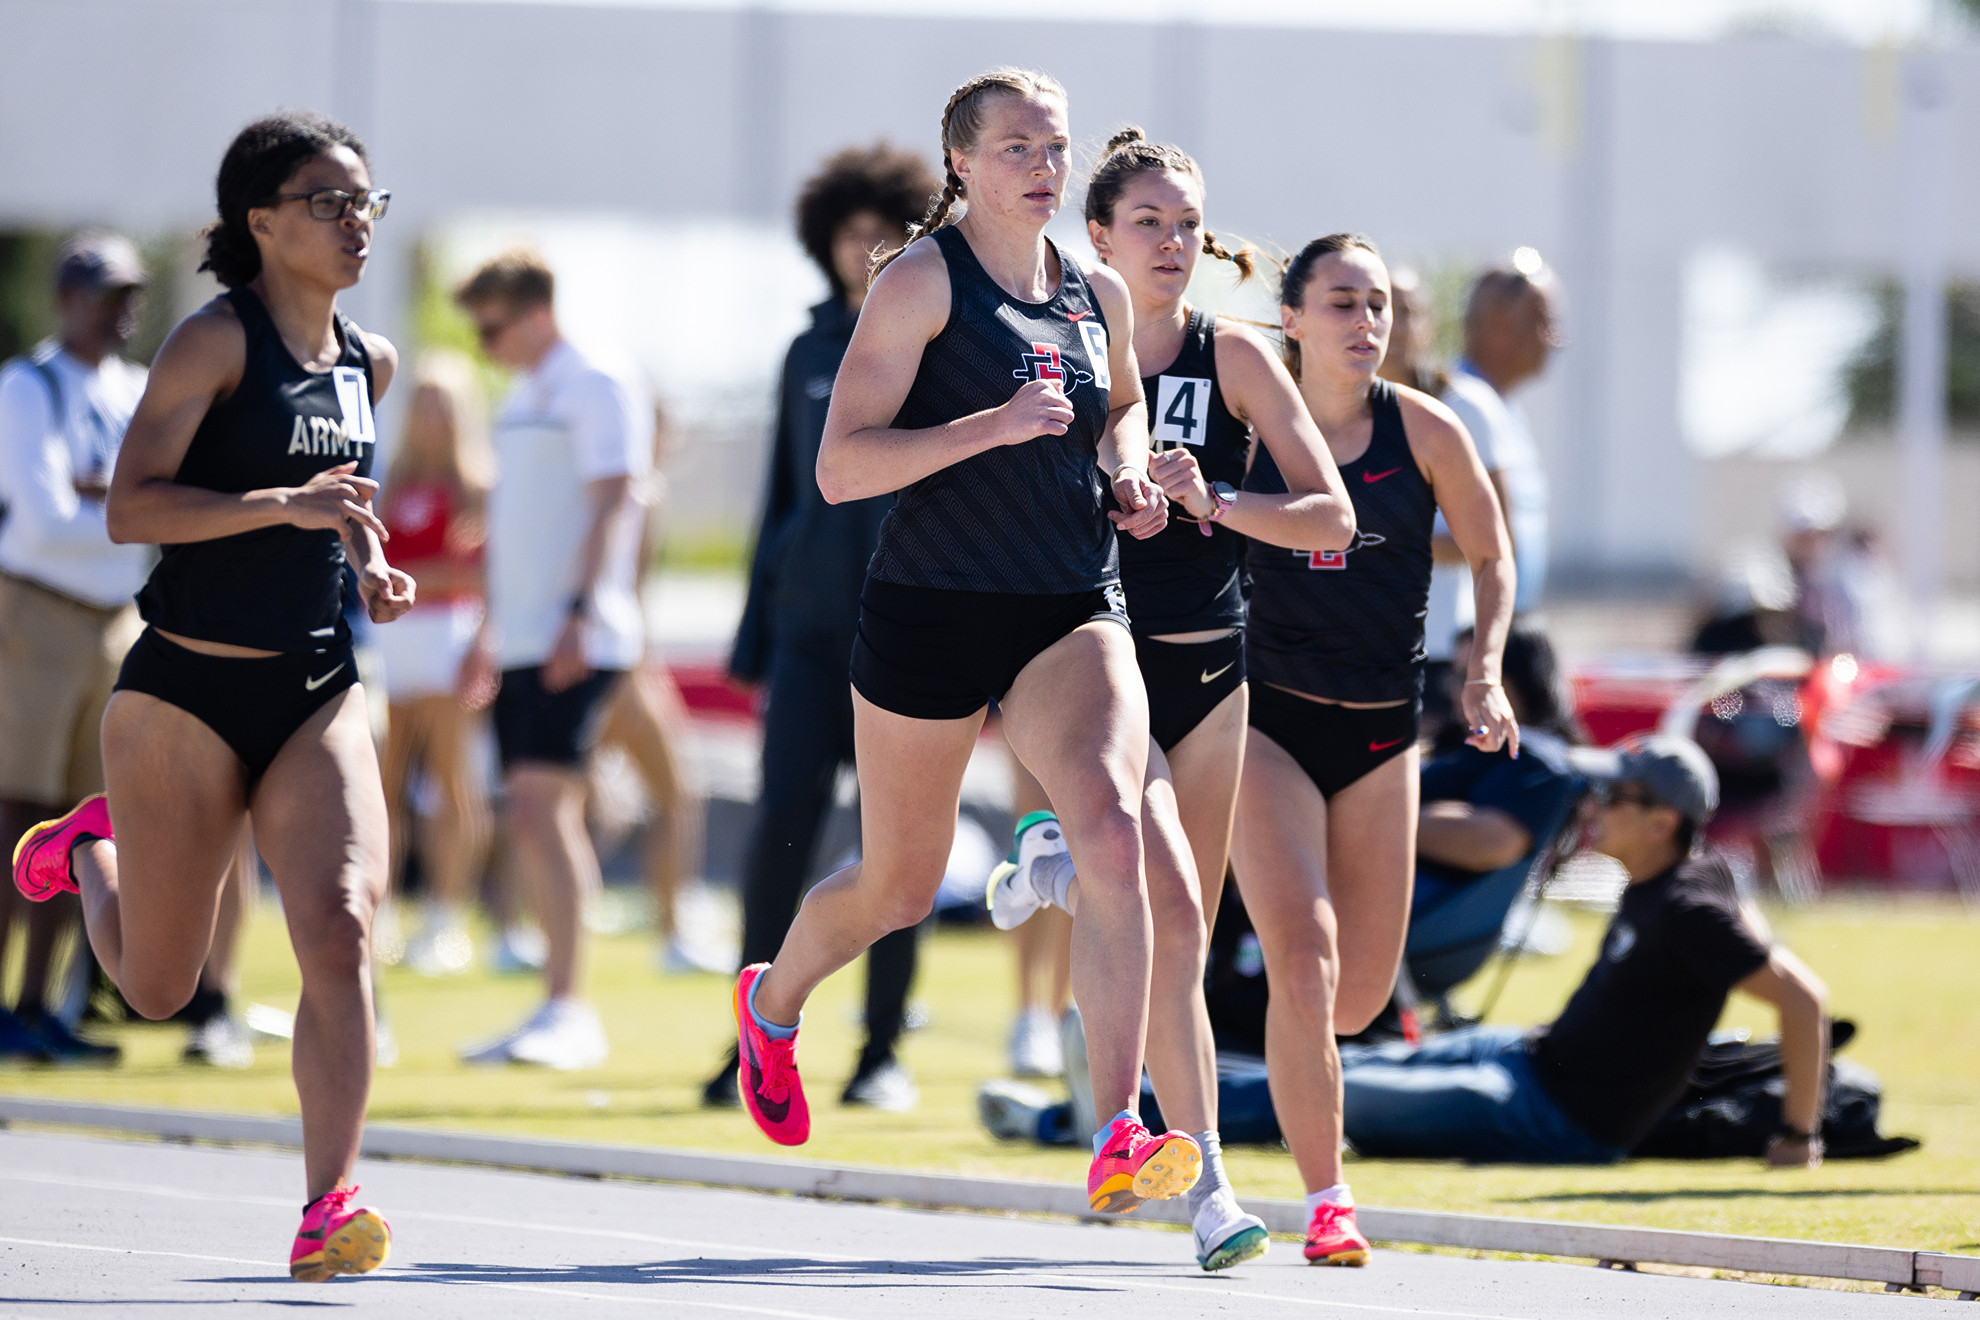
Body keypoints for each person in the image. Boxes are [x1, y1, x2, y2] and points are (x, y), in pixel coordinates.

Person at [735, 67, 1201, 1220]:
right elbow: (842, 469)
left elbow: (1122, 405)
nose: (1044, 168)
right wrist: (989, 427)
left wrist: (1129, 471)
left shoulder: (1094, 287)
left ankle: (1118, 1130)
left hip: (1068, 604)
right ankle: (773, 1004)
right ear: (962, 163)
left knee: (1112, 832)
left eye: (1056, 147)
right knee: (898, 886)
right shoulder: (918, 283)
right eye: (1017, 149)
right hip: (931, 610)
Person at [10, 111, 410, 1278]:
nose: (356, 223)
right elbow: (131, 507)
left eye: (366, 202)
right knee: (155, 987)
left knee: (340, 924)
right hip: (185, 691)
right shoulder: (212, 343)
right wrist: (279, 506)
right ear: (261, 221)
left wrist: (369, 563)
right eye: (329, 202)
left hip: (316, 687)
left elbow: (343, 502)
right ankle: (92, 850)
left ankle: (328, 1204)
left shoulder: (371, 362)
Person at [985, 128, 1355, 1271]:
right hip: (1098, 665)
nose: (1173, 243)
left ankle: (1056, 875)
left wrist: (1218, 502)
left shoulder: (1233, 357)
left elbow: (1331, 516)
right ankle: (1207, 1187)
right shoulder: (1050, 344)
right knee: (1175, 902)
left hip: (1210, 672)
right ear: (1097, 237)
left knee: (1171, 933)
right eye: (1147, 222)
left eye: (1189, 224)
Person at [1229, 232, 1517, 1265]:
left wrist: (1484, 669)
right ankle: (1328, 1201)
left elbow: (1492, 554)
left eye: (1379, 305)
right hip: (1265, 721)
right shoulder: (1247, 428)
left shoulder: (1427, 429)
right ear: (1292, 320)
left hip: (1383, 728)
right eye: (1342, 303)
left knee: (1355, 998)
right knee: (1303, 962)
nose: (1366, 323)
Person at [703, 143, 938, 1112]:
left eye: (885, 235)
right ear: (825, 241)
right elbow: (781, 501)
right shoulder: (805, 350)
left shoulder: (937, 344)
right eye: (850, 235)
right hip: (806, 637)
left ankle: (881, 1052)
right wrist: (753, 634)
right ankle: (751, 1040)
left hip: (911, 634)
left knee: (899, 850)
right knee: (780, 834)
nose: (865, 251)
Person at [1339, 735, 1832, 1170]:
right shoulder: (1687, 870)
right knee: (1342, 1065)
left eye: (1612, 796)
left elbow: (1804, 999)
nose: (1591, 807)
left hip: (1557, 1118)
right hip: (1529, 1055)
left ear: (1662, 823)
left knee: (1337, 1096)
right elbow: (1741, 912)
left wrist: (1799, 1136)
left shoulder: (1689, 910)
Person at [454, 249, 650, 1070]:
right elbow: (515, 527)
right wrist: (486, 629)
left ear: (536, 314)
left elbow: (614, 500)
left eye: (494, 328)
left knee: (543, 808)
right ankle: (553, 1005)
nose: (486, 345)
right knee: (531, 813)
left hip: (576, 635)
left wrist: (577, 612)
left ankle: (570, 1009)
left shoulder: (596, 380)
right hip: (525, 636)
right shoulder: (524, 393)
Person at [0, 232, 151, 1065]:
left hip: (116, 617)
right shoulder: (29, 385)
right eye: (104, 294)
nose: (122, 310)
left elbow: (150, 507)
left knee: (80, 828)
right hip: (38, 613)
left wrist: (107, 496)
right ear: (65, 300)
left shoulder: (137, 388)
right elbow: (45, 519)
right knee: (15, 810)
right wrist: (133, 506)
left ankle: (37, 1004)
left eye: (129, 294)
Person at [373, 350, 495, 977]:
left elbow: (482, 574)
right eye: (423, 404)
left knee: (453, 786)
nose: (432, 417)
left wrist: (416, 575)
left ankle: (446, 920)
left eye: (444, 405)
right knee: (382, 786)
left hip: (449, 639)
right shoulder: (390, 481)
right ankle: (383, 913)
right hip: (392, 641)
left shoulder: (478, 486)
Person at [1421, 254, 1558, 716]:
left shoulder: (1501, 408)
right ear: (1500, 324)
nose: (1556, 338)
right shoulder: (1455, 407)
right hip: (1458, 657)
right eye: (1544, 320)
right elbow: (1455, 536)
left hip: (1500, 644)